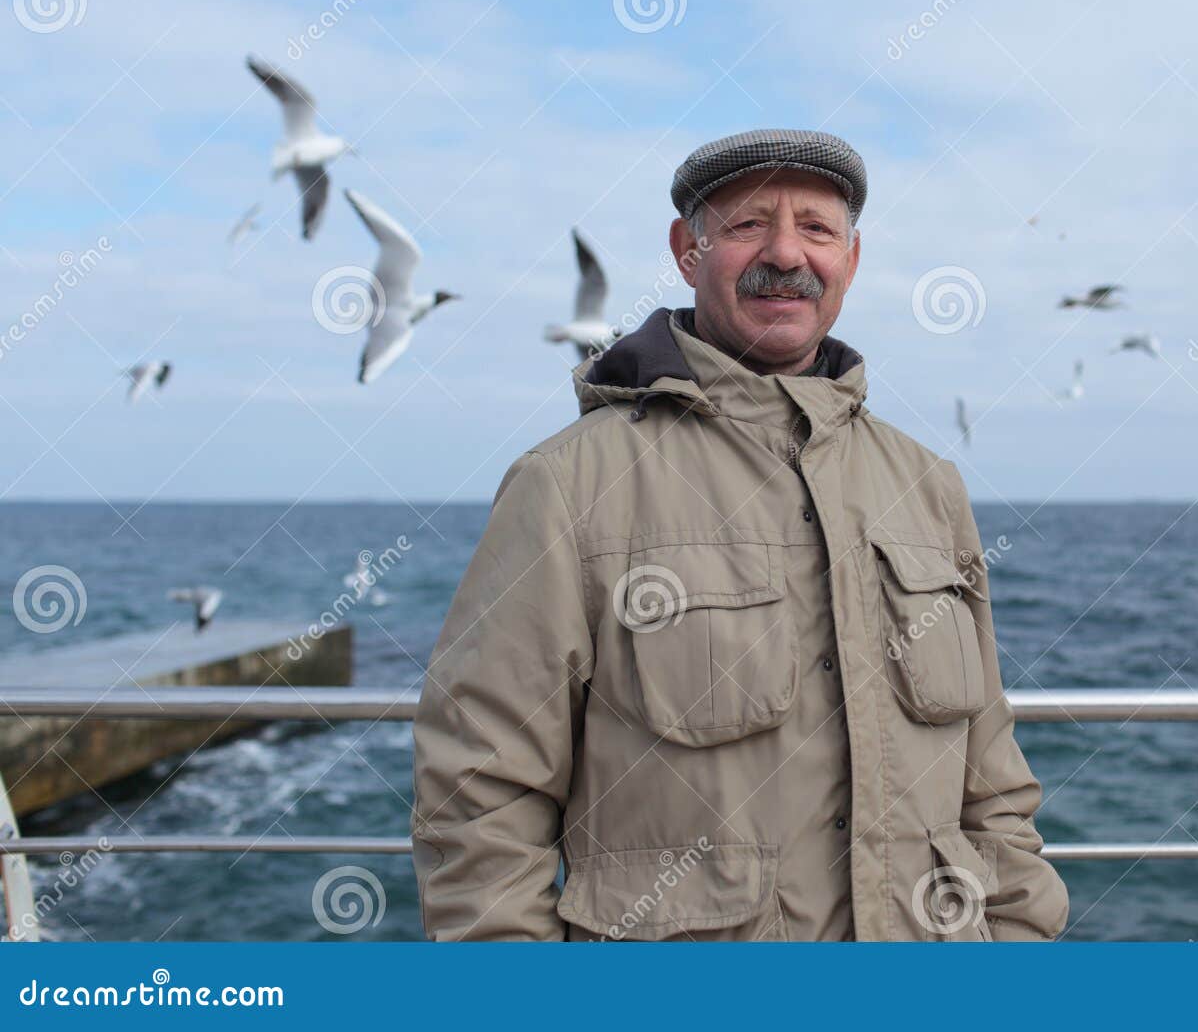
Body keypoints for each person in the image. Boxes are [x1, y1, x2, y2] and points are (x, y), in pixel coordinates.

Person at [411, 129, 1069, 941]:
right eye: (749, 224)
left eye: (818, 230)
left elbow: (991, 779)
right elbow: (480, 793)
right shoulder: (568, 484)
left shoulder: (928, 485)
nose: (787, 253)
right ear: (689, 251)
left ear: (852, 262)